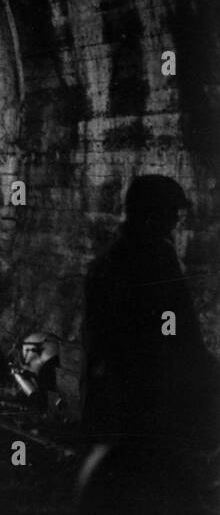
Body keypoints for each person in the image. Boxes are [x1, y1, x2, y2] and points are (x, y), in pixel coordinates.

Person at [83, 175, 218, 450]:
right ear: (151, 215)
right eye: (170, 214)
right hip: (141, 394)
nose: (173, 223)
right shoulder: (151, 259)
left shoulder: (113, 260)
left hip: (123, 393)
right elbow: (174, 329)